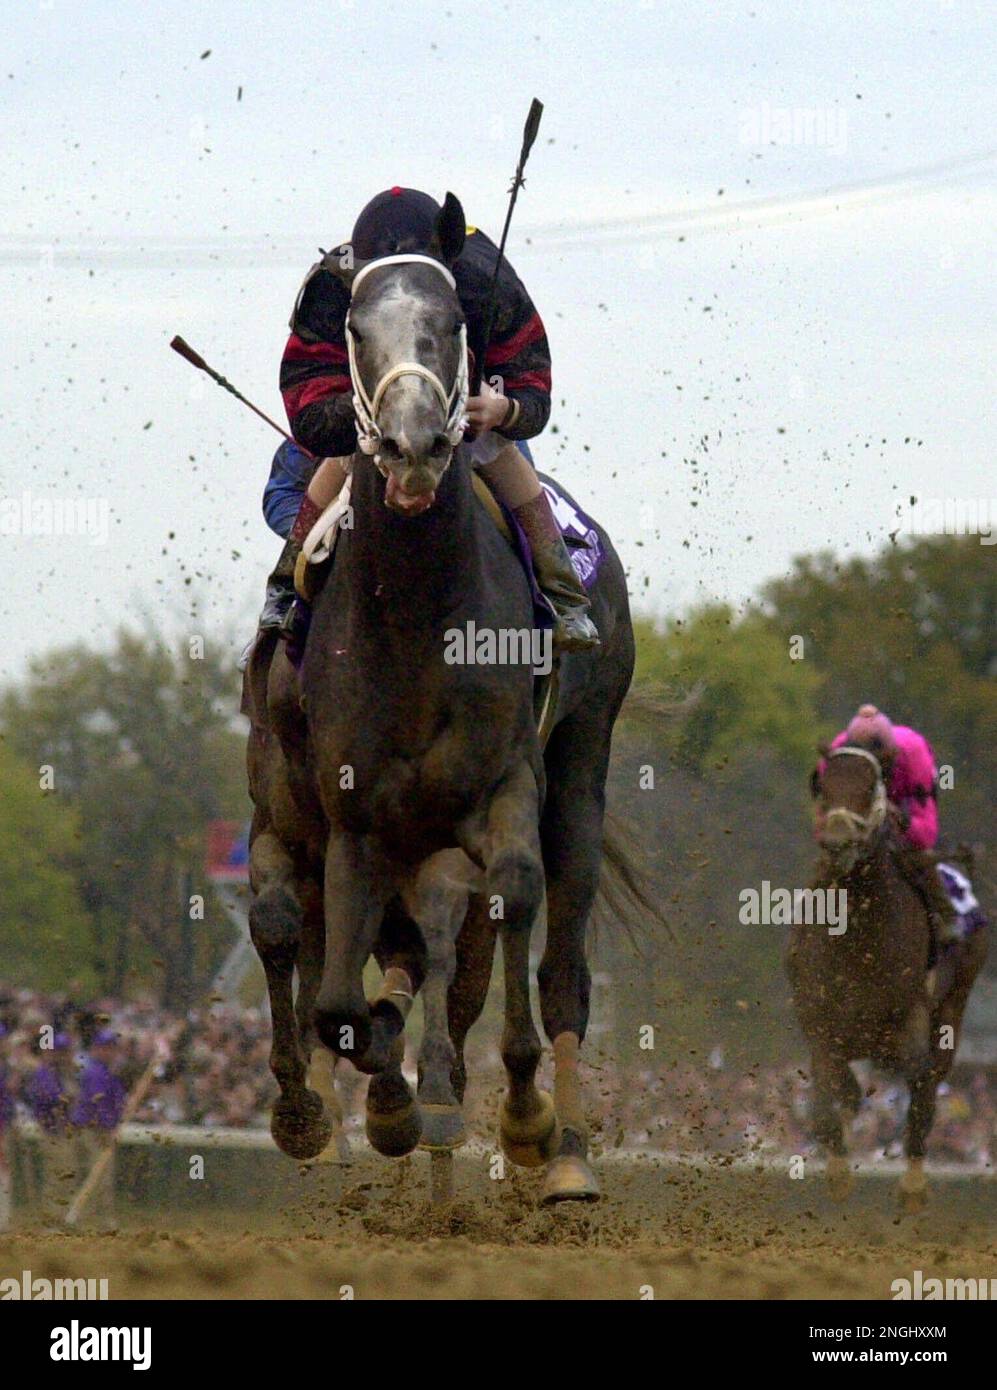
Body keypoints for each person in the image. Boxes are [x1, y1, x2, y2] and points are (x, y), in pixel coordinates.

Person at [260, 186, 599, 652]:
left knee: (498, 452)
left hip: (462, 412)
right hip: (375, 418)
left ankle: (564, 595)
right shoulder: (331, 289)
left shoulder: (486, 281)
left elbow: (533, 389)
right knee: (342, 458)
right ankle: (285, 585)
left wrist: (503, 409)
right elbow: (310, 413)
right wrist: (364, 420)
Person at [822, 704, 958, 949]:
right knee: (831, 856)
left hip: (902, 803)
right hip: (859, 811)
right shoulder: (838, 757)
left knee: (917, 856)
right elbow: (824, 818)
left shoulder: (914, 753)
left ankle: (947, 916)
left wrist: (900, 820)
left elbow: (926, 834)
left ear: (890, 757)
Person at [69, 1029, 127, 1227]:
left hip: (100, 1128)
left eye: (112, 1048)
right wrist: (109, 1127)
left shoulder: (107, 1072)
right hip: (93, 1129)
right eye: (105, 1048)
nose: (110, 1052)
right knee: (98, 1174)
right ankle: (83, 1218)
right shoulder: (95, 1072)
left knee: (102, 1174)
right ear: (96, 1049)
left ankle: (100, 1218)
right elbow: (98, 1103)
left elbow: (116, 1100)